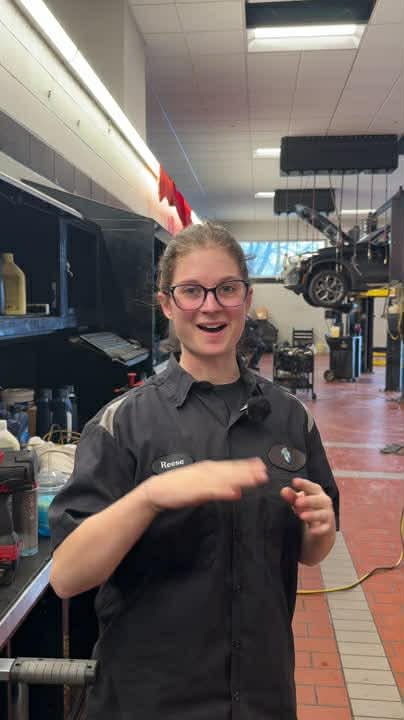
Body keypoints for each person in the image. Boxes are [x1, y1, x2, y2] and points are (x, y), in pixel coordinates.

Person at [49, 221, 339, 720]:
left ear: (246, 299)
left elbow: (309, 553)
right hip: (149, 703)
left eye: (226, 289)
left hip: (263, 698)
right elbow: (68, 576)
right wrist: (150, 498)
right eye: (191, 291)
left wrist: (320, 528)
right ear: (167, 304)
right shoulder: (124, 423)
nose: (211, 306)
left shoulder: (291, 418)